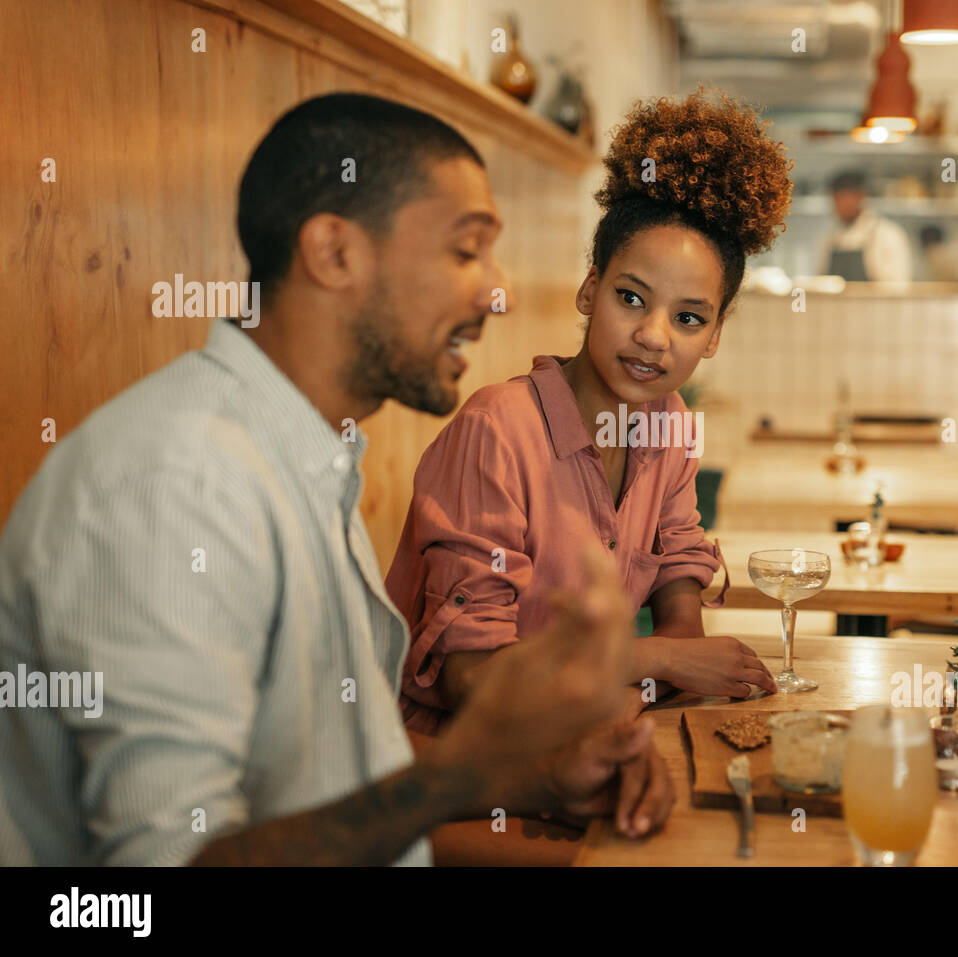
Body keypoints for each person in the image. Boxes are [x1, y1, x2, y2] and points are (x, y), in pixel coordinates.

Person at [0, 92, 673, 866]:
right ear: (334, 253)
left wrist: (539, 777)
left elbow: (326, 768)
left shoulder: (303, 452)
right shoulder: (178, 480)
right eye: (466, 250)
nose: (499, 291)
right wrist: (467, 764)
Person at [386, 90, 793, 736]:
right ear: (589, 288)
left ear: (714, 335)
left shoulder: (671, 424)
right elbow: (472, 678)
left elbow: (679, 579)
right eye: (632, 297)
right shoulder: (496, 431)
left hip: (587, 739)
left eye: (689, 317)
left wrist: (675, 657)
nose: (655, 336)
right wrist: (657, 658)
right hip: (459, 776)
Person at [819, 170, 911, 282]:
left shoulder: (887, 234)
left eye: (845, 199)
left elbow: (899, 286)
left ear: (860, 197)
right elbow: (821, 282)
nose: (840, 206)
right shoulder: (831, 239)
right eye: (836, 201)